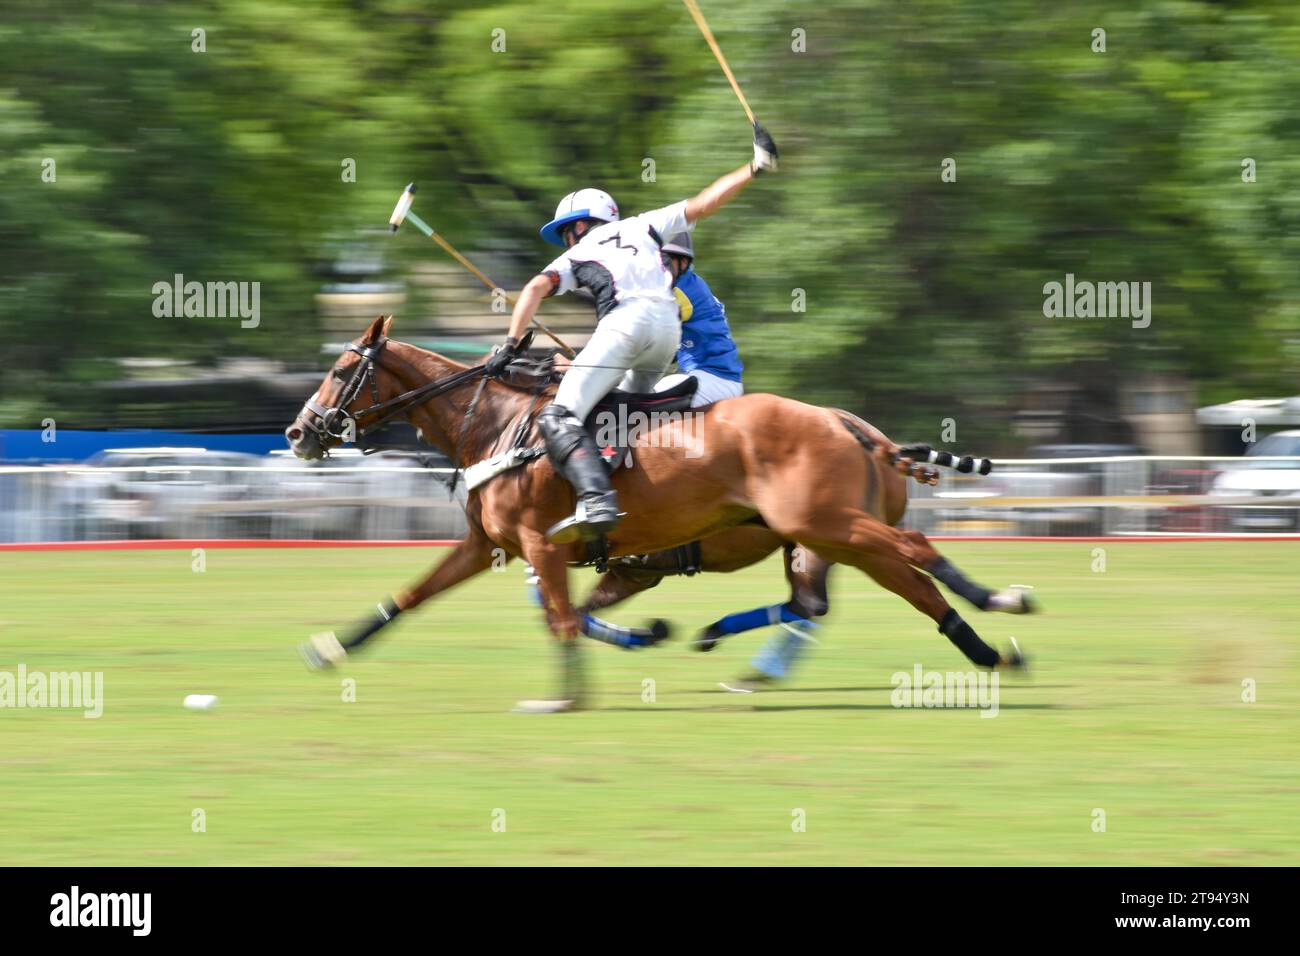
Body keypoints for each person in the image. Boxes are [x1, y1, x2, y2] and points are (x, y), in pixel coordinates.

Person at [485, 123, 778, 544]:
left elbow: (534, 289)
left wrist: (510, 345)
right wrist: (753, 166)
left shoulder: (581, 251)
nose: (567, 240)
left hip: (629, 329)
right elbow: (702, 205)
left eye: (568, 231)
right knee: (620, 408)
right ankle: (627, 489)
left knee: (559, 415)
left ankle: (598, 500)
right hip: (663, 336)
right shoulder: (644, 227)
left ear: (584, 226)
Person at [653, 233, 744, 406]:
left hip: (714, 380)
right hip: (703, 375)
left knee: (646, 405)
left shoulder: (680, 292)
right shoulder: (689, 283)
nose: (659, 267)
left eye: (664, 261)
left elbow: (651, 335)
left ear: (683, 262)